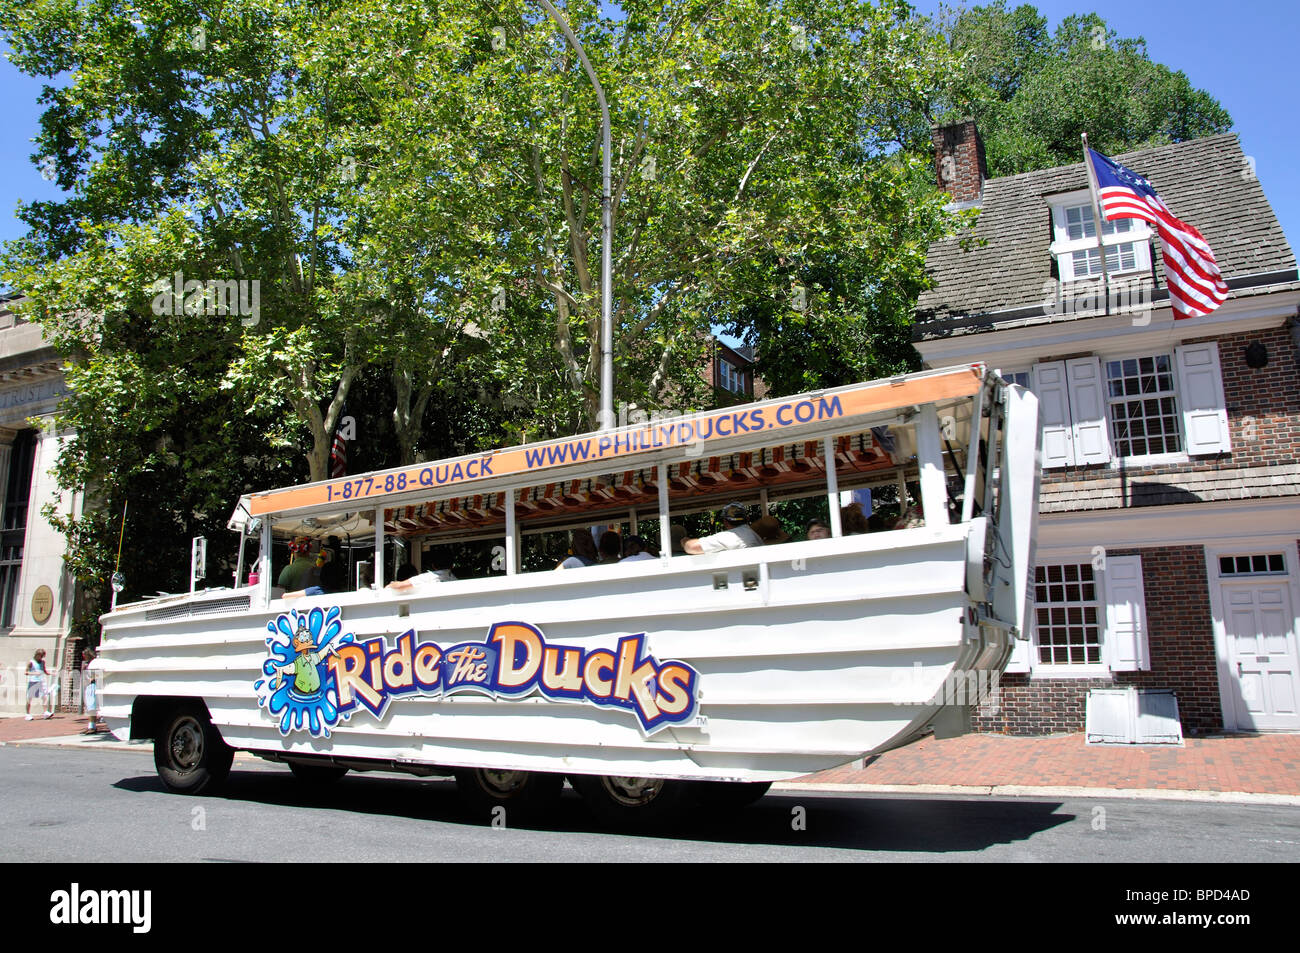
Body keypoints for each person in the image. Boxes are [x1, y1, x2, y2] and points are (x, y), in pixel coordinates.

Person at [25, 648, 53, 720]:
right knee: (29, 698)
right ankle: (27, 714)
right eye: (41, 656)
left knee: (44, 697)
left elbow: (44, 671)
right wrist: (34, 673)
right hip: (33, 681)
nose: (41, 658)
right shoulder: (31, 662)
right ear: (37, 655)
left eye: (43, 656)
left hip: (41, 681)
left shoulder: (42, 662)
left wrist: (51, 673)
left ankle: (46, 712)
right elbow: (26, 672)